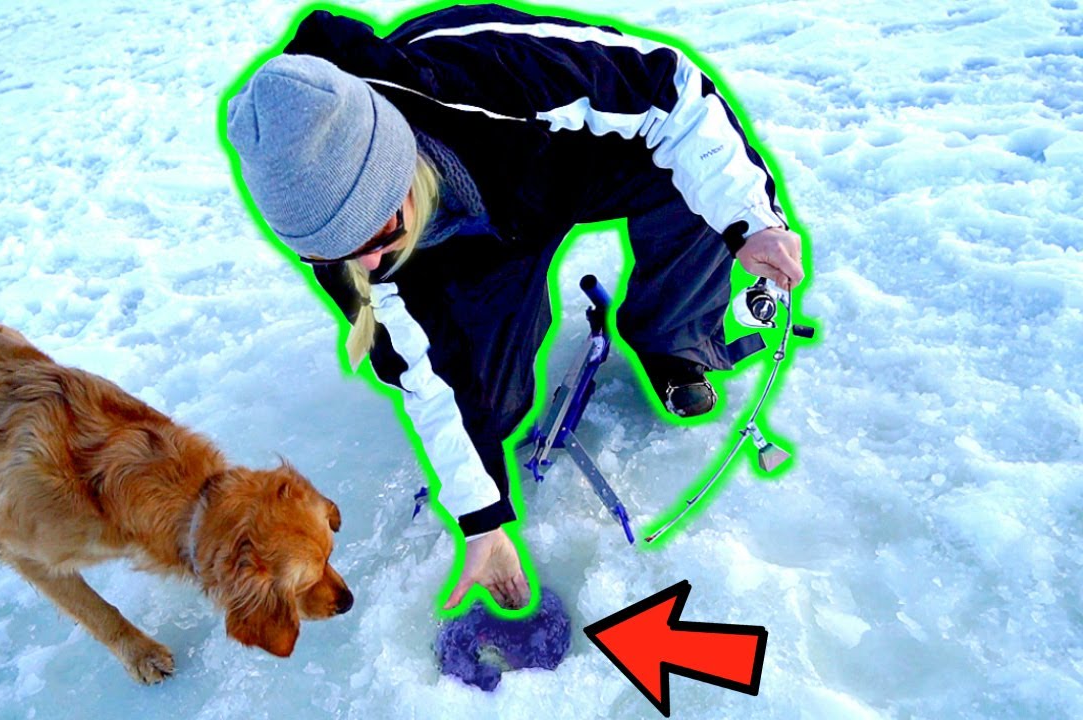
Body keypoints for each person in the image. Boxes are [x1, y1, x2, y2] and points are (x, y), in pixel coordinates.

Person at [224, 4, 805, 611]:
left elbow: (673, 94)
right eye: (337, 252)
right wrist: (482, 520)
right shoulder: (345, 250)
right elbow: (423, 374)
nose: (366, 265)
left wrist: (751, 222)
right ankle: (494, 406)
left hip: (560, 164)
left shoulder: (493, 72)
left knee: (698, 191)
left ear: (398, 169)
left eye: (376, 234)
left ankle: (674, 341)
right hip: (466, 251)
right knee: (488, 401)